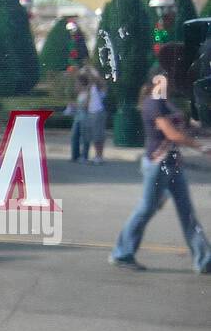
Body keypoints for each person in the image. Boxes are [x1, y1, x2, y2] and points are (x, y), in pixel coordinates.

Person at [110, 72, 211, 273]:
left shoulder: (167, 103)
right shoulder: (152, 104)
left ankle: (204, 259)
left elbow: (186, 127)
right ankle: (122, 253)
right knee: (146, 208)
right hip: (158, 164)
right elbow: (172, 133)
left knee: (187, 211)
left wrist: (201, 130)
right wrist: (202, 148)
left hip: (173, 164)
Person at [84, 68, 107, 164]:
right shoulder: (91, 87)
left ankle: (99, 156)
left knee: (98, 136)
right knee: (94, 136)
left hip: (98, 112)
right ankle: (97, 155)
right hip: (91, 112)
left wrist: (92, 71)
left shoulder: (99, 87)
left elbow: (98, 80)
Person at [66, 71, 91, 163]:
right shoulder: (80, 94)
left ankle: (84, 156)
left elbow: (87, 106)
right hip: (78, 117)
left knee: (84, 137)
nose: (76, 85)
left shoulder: (87, 93)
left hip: (85, 117)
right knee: (74, 136)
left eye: (77, 83)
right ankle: (75, 155)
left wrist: (76, 105)